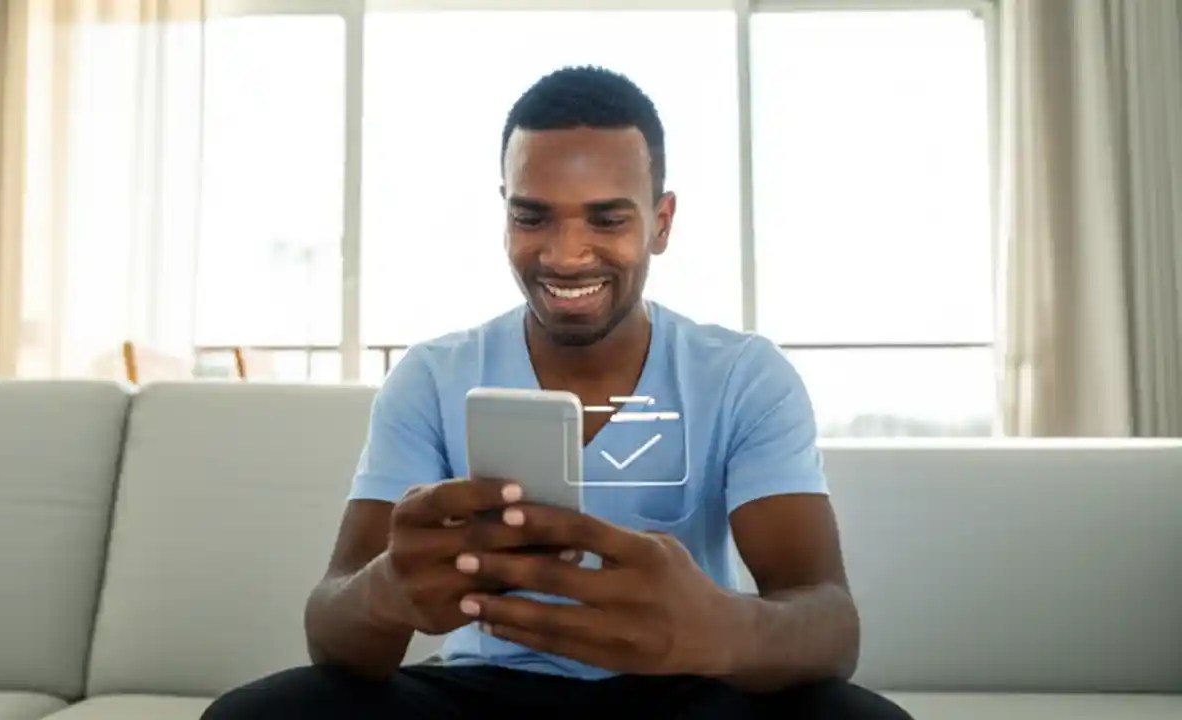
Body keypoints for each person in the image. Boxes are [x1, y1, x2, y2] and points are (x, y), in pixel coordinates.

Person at [202, 65, 912, 720]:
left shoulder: (741, 375)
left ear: (660, 223)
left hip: (681, 688)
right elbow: (334, 623)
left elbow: (828, 621)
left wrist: (722, 629)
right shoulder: (433, 375)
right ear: (504, 213)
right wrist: (390, 590)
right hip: (481, 693)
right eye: (533, 216)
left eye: (607, 219)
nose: (566, 254)